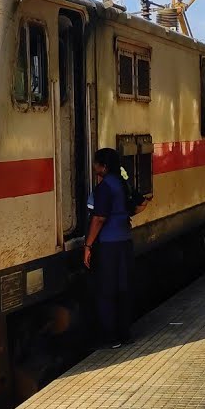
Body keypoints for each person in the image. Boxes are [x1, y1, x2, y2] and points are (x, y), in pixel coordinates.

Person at [83, 148, 149, 349]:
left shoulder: (104, 188)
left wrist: (88, 245)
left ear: (103, 166)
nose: (94, 167)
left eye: (96, 164)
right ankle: (125, 334)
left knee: (106, 291)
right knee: (123, 289)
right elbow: (143, 203)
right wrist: (123, 217)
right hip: (124, 242)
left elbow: (99, 218)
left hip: (108, 246)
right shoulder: (123, 183)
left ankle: (110, 338)